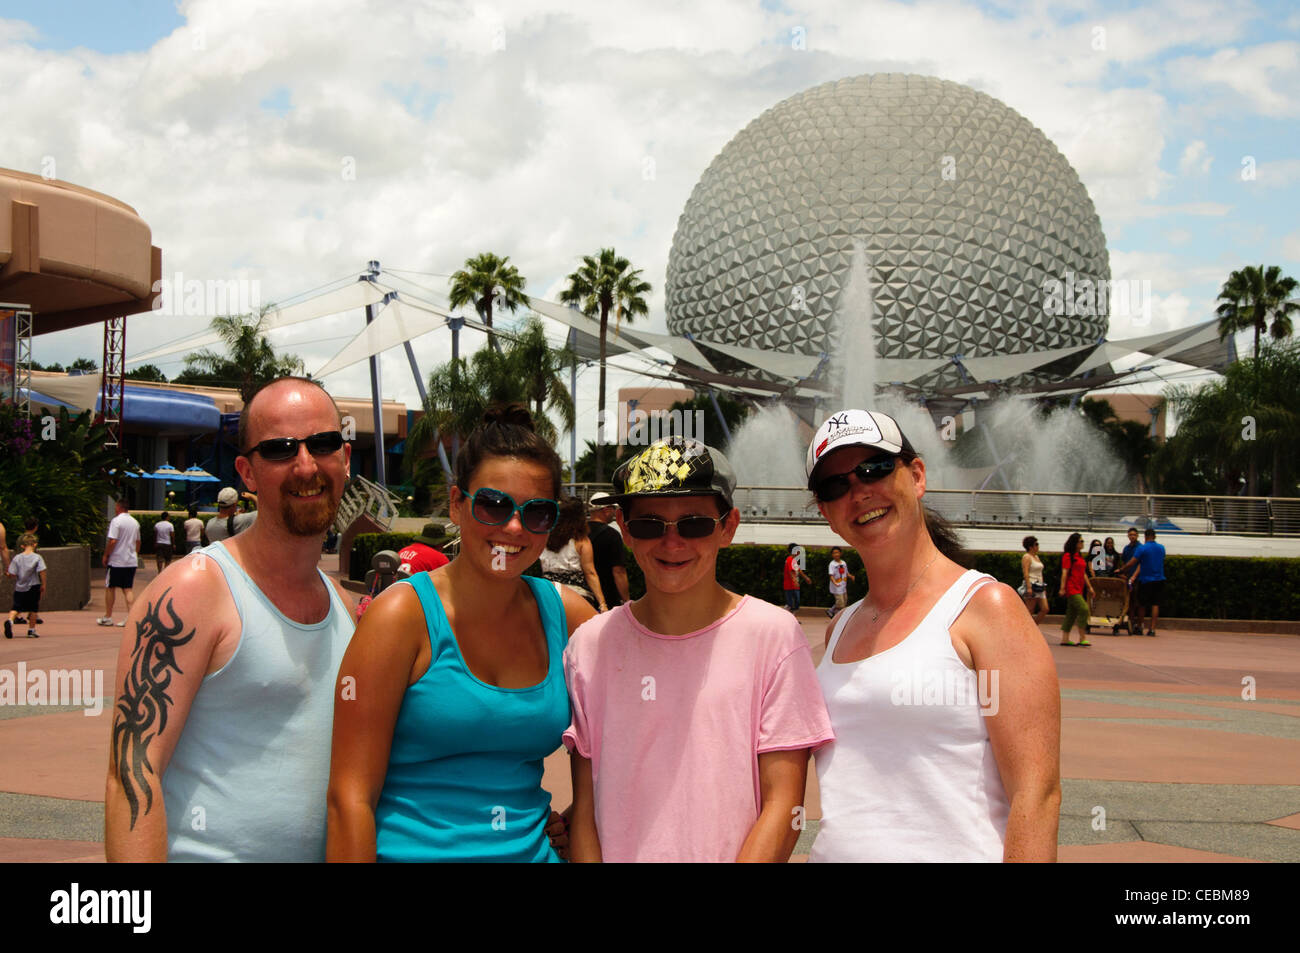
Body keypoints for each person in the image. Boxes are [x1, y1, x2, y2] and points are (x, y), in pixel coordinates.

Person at [327, 404, 593, 862]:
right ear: (457, 503)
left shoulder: (570, 617)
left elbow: (630, 746)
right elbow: (349, 799)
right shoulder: (401, 617)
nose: (513, 527)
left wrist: (573, 820)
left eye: (536, 513)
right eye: (493, 504)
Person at [105, 376, 356, 861]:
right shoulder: (193, 592)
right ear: (247, 472)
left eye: (323, 444)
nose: (306, 465)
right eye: (281, 450)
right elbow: (133, 773)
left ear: (344, 458)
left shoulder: (345, 609)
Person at [804, 409, 1059, 862]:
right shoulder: (838, 630)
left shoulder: (985, 608)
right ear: (826, 512)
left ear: (917, 475)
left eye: (875, 468)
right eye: (835, 485)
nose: (859, 491)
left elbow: (1035, 794)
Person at [565, 437, 834, 862]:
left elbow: (784, 806)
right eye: (650, 524)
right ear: (624, 528)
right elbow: (585, 809)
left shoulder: (772, 636)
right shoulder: (589, 646)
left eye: (694, 524)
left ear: (728, 527)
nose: (672, 543)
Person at [539, 496, 607, 612]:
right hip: (576, 596)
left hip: (546, 592)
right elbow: (590, 573)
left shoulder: (544, 537)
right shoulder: (581, 540)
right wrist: (602, 603)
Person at [97, 500, 141, 627]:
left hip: (116, 561)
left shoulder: (116, 521)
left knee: (110, 587)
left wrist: (106, 555)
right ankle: (131, 617)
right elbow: (138, 542)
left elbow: (112, 541)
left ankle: (108, 616)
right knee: (128, 589)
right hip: (130, 561)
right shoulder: (135, 522)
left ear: (118, 507)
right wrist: (135, 554)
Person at [587, 492, 630, 608]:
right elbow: (619, 571)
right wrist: (626, 600)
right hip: (607, 598)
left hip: (583, 595)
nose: (614, 513)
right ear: (606, 510)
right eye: (613, 509)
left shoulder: (579, 532)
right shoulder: (612, 535)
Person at [1121, 528, 1166, 637]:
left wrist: (1122, 569)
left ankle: (1140, 626)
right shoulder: (1161, 548)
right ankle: (1152, 629)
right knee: (1155, 604)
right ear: (1154, 537)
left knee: (1142, 604)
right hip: (1159, 579)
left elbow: (1132, 563)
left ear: (1145, 537)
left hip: (1145, 579)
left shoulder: (1142, 548)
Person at [6, 534, 46, 640]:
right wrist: (43, 584)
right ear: (35, 544)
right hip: (33, 586)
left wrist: (9, 575)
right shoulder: (37, 557)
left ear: (22, 546)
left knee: (16, 607)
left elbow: (12, 573)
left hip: (20, 587)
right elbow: (42, 571)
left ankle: (10, 621)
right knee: (33, 608)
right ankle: (31, 630)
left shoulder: (17, 558)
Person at [1059, 532, 1094, 647]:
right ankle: (1082, 636)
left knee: (1071, 613)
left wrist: (1089, 587)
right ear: (1075, 543)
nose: (1083, 543)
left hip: (1079, 588)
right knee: (1084, 609)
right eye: (1081, 541)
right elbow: (1065, 572)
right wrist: (1062, 588)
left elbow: (1083, 573)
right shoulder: (1068, 556)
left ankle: (1065, 638)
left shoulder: (1079, 556)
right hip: (1071, 588)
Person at [1020, 535, 1048, 624]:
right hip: (1032, 584)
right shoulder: (1027, 557)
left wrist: (1043, 586)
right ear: (1030, 546)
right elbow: (1026, 572)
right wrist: (1029, 587)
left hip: (1039, 585)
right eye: (1036, 544)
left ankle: (1034, 626)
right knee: (1030, 610)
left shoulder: (1037, 557)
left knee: (1045, 608)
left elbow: (1040, 573)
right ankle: (1025, 628)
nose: (1038, 546)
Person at [1119, 526, 1142, 634]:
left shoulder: (1140, 548)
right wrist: (1123, 574)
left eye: (1134, 535)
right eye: (1130, 535)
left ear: (1137, 536)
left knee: (1136, 601)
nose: (1132, 536)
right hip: (1128, 578)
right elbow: (1124, 562)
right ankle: (1129, 621)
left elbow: (1140, 563)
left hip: (1138, 578)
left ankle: (1137, 623)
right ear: (1128, 536)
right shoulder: (1126, 548)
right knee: (1129, 600)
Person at [782, 542, 814, 612]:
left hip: (794, 586)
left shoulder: (794, 560)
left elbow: (798, 570)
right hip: (790, 586)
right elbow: (791, 572)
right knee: (791, 604)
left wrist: (806, 578)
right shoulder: (790, 559)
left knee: (795, 603)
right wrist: (795, 581)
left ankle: (790, 616)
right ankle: (784, 614)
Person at [826, 546, 855, 618]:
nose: (836, 554)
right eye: (834, 553)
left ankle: (831, 610)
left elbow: (846, 573)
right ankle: (837, 616)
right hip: (836, 587)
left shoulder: (843, 563)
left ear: (840, 553)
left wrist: (851, 576)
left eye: (837, 552)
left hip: (843, 586)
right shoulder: (832, 564)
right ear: (832, 555)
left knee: (844, 601)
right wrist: (835, 582)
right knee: (840, 603)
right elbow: (831, 575)